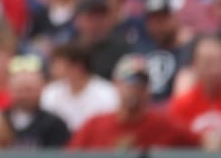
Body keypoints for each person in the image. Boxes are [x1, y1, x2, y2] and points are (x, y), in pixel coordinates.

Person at [70, 54, 199, 149]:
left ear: (148, 89)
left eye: (141, 83)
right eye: (128, 81)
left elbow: (201, 142)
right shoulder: (94, 126)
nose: (134, 88)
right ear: (116, 84)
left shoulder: (166, 125)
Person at [4, 54, 71, 149]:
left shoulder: (54, 124)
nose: (24, 95)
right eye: (19, 90)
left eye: (29, 90)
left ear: (41, 89)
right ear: (10, 89)